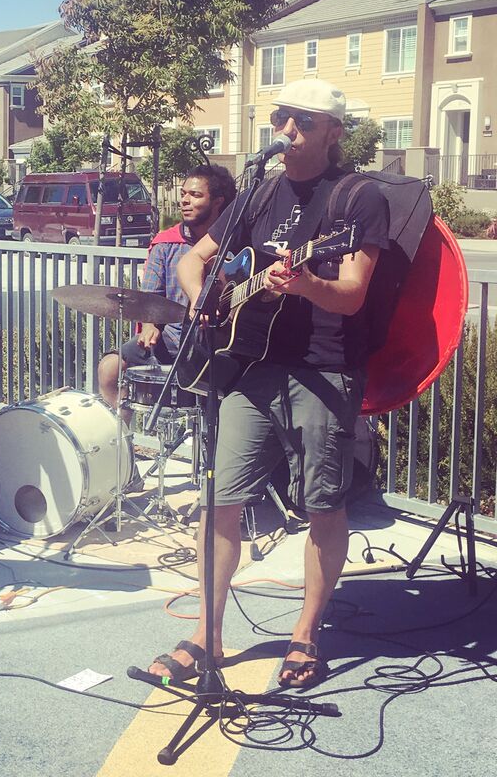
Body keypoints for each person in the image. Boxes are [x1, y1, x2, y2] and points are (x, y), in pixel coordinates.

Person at [149, 79, 389, 688]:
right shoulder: (260, 192)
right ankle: (208, 634)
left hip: (325, 369)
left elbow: (355, 292)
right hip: (252, 366)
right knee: (219, 499)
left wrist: (306, 285)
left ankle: (306, 636)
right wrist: (205, 292)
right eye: (282, 116)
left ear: (334, 131)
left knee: (322, 505)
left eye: (302, 121)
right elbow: (190, 255)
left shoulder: (358, 199)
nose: (287, 130)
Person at [97, 165, 236, 410]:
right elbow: (151, 297)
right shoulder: (166, 242)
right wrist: (149, 325)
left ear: (218, 202)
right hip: (171, 341)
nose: (184, 200)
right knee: (109, 367)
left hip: (219, 347)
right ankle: (122, 440)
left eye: (195, 195)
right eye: (183, 193)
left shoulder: (235, 244)